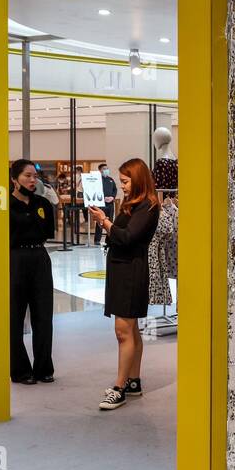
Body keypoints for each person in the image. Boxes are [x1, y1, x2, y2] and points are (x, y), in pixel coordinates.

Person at [88, 158, 160, 411]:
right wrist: (105, 221)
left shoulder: (148, 206)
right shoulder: (134, 205)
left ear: (138, 180)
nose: (123, 186)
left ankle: (119, 387)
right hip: (122, 269)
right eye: (122, 182)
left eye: (126, 181)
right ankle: (133, 381)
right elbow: (120, 235)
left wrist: (105, 223)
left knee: (123, 331)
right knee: (131, 330)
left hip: (130, 271)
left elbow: (128, 238)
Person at [9, 159, 56, 385]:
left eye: (34, 176)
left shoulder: (42, 204)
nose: (32, 180)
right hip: (15, 260)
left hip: (40, 259)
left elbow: (48, 231)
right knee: (15, 317)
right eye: (27, 176)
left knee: (44, 316)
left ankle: (44, 368)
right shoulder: (5, 205)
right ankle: (20, 370)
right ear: (14, 179)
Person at [93, 162, 117, 245]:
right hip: (101, 204)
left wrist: (112, 197)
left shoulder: (111, 179)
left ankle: (109, 239)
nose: (106, 170)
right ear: (100, 170)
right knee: (100, 221)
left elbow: (115, 190)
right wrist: (103, 198)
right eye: (104, 169)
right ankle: (97, 240)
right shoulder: (97, 180)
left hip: (110, 204)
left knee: (110, 221)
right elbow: (95, 191)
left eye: (107, 168)